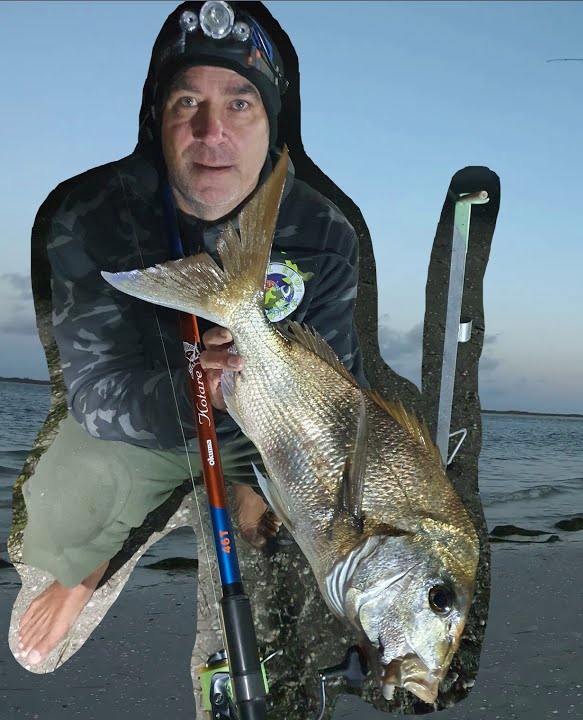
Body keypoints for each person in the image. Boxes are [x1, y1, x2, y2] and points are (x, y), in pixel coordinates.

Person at [15, 0, 365, 667]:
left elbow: (341, 389)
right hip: (147, 424)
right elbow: (95, 395)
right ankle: (83, 568)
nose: (211, 132)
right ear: (157, 117)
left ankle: (242, 510)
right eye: (186, 102)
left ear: (272, 122)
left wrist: (282, 469)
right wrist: (193, 389)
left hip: (265, 437)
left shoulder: (324, 234)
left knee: (302, 577)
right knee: (62, 508)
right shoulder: (90, 215)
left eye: (240, 104)